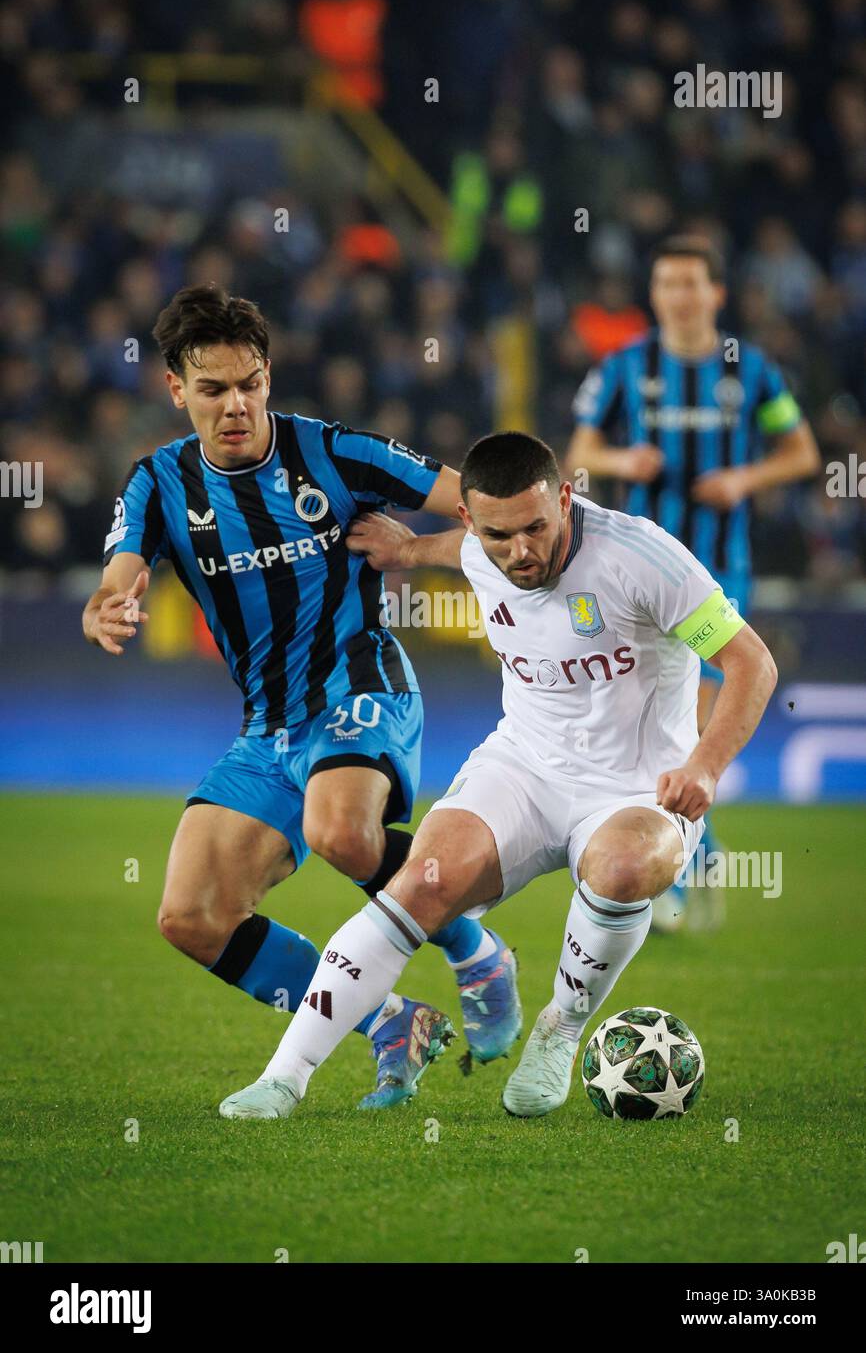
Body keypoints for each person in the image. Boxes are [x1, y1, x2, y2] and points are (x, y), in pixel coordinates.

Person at [217, 432, 777, 1121]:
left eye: (537, 528)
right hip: (524, 769)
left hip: (636, 788)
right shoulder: (484, 546)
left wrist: (705, 766)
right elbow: (462, 552)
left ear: (566, 498)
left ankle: (560, 1029)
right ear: (471, 521)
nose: (520, 552)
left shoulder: (641, 556)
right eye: (498, 534)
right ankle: (284, 1076)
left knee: (627, 867)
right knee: (420, 883)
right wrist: (409, 550)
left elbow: (753, 664)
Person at [81, 284, 521, 1113]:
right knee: (192, 916)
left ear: (269, 376)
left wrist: (418, 547)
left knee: (340, 830)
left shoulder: (335, 452)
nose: (236, 404)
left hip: (363, 686)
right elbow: (123, 567)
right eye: (213, 389)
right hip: (268, 728)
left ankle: (479, 954)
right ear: (176, 389)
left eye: (250, 382)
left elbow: (499, 515)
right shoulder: (158, 483)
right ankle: (392, 1023)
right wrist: (111, 601)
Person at [565, 236, 818, 930]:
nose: (678, 295)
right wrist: (623, 456)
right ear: (655, 294)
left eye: (690, 283)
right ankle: (690, 850)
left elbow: (802, 452)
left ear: (715, 294)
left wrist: (744, 477)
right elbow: (581, 451)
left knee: (691, 718)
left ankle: (671, 862)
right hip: (629, 574)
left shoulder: (752, 370)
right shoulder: (624, 366)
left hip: (716, 569)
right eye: (666, 283)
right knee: (641, 715)